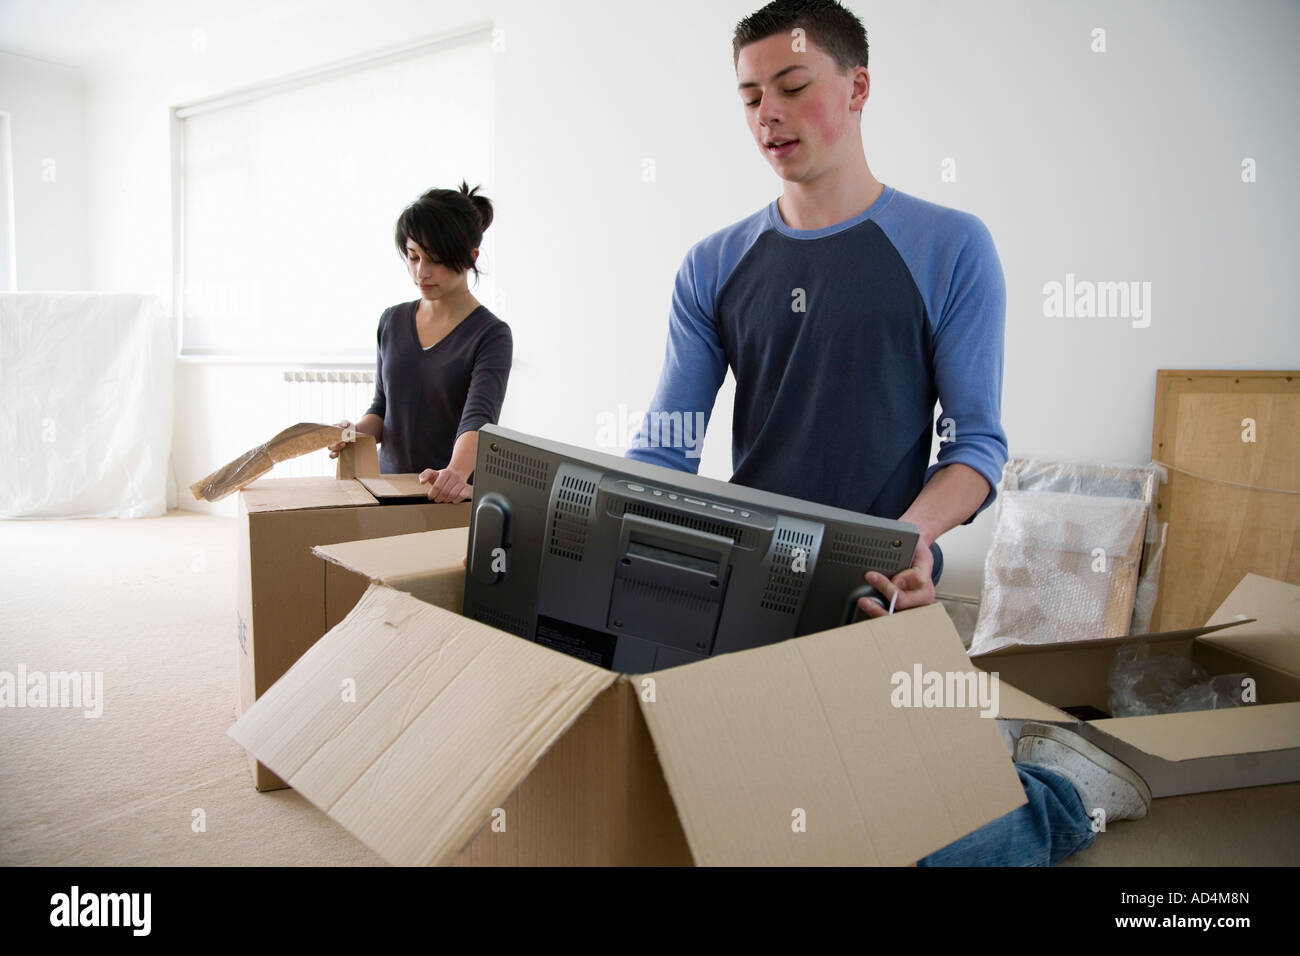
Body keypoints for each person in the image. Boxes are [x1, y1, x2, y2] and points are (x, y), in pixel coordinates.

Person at [626, 0, 1151, 865]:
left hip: (883, 584)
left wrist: (912, 538)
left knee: (946, 851)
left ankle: (1059, 786)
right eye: (751, 95)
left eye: (793, 86)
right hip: (751, 585)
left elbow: (977, 447)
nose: (769, 114)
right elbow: (665, 446)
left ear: (857, 86)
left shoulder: (949, 246)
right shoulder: (712, 265)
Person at [330, 182, 512, 502]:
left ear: (471, 257)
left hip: (447, 496)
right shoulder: (391, 321)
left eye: (435, 259)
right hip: (387, 491)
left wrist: (453, 474)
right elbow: (381, 410)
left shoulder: (490, 334)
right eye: (413, 257)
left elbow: (478, 420)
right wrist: (353, 434)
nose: (421, 272)